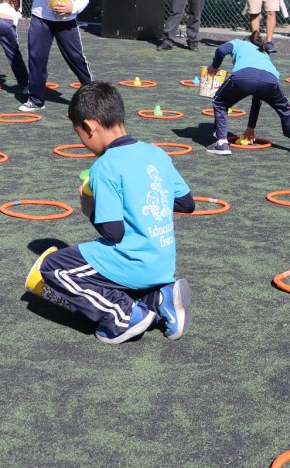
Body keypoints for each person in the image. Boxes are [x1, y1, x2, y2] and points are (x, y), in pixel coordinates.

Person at [28, 82, 194, 343]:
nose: (82, 142)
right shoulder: (155, 153)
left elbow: (113, 233)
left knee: (55, 268)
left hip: (134, 262)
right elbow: (187, 203)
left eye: (79, 134)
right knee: (102, 267)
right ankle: (161, 296)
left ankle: (123, 316)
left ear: (90, 126)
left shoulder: (104, 167)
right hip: (162, 263)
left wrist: (89, 209)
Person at [19, 0, 93, 112]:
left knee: (76, 58)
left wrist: (72, 8)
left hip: (66, 22)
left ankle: (93, 95)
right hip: (40, 19)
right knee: (37, 58)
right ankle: (36, 100)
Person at [204, 33, 290, 156]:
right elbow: (257, 99)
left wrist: (215, 66)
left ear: (246, 40)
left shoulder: (238, 42)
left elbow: (221, 49)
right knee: (284, 108)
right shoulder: (263, 52)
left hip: (242, 77)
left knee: (219, 102)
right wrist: (251, 127)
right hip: (270, 80)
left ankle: (221, 143)